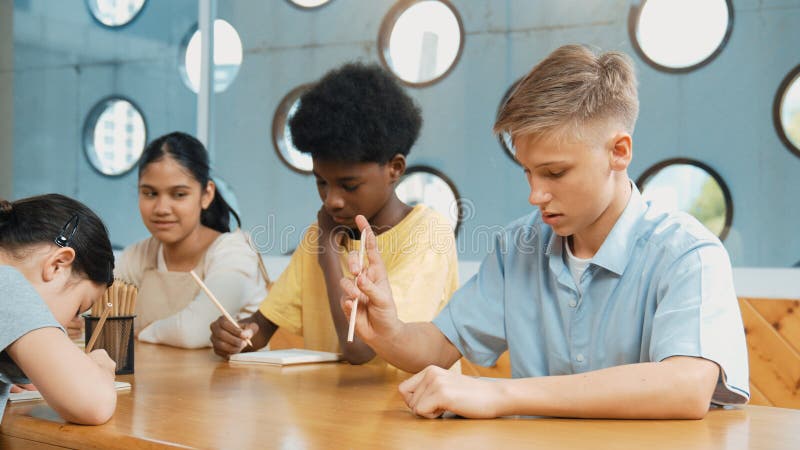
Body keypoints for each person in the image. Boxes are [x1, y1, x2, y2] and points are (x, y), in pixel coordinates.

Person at [340, 44, 749, 418]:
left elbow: (688, 386)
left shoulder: (688, 253)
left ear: (619, 152)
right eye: (529, 173)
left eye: (555, 172)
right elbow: (438, 346)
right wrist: (389, 330)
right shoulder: (517, 247)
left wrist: (501, 395)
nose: (536, 195)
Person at [210, 63, 459, 364]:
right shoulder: (320, 233)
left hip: (406, 409)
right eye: (321, 182)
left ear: (395, 168)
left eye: (349, 185)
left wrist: (328, 255)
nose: (332, 201)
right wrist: (236, 336)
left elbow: (360, 349)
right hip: (330, 409)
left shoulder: (427, 234)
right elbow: (261, 330)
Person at [115, 132, 268, 349]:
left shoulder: (234, 253)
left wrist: (143, 331)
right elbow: (99, 315)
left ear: (206, 195)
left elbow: (194, 331)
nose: (161, 209)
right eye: (150, 193)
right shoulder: (137, 255)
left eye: (179, 195)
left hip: (233, 381)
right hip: (158, 380)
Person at [0, 194, 117, 425]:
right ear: (57, 264)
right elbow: (94, 404)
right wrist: (99, 368)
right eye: (78, 308)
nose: (67, 324)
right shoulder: (6, 282)